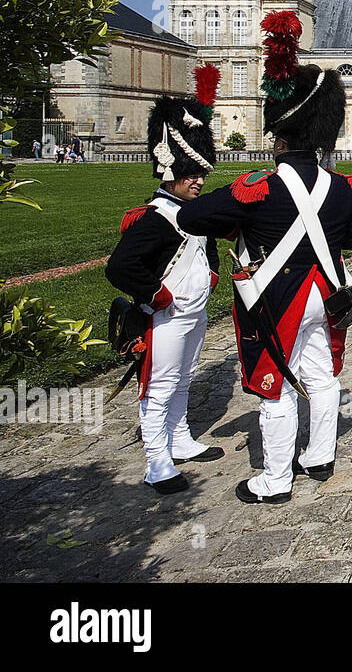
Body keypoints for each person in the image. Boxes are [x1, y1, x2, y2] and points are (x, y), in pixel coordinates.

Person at [178, 11, 352, 503]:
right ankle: (320, 456)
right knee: (323, 376)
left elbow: (192, 218)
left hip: (276, 299)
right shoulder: (342, 189)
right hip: (324, 294)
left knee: (277, 388)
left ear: (279, 136)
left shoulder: (257, 190)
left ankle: (275, 479)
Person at [106, 74, 224, 495]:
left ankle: (181, 438)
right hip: (166, 314)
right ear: (169, 170)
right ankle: (156, 460)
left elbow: (204, 248)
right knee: (158, 386)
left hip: (193, 311)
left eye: (200, 174)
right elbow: (120, 267)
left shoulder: (194, 210)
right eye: (189, 174)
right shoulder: (154, 217)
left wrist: (210, 276)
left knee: (184, 377)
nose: (197, 181)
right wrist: (157, 296)